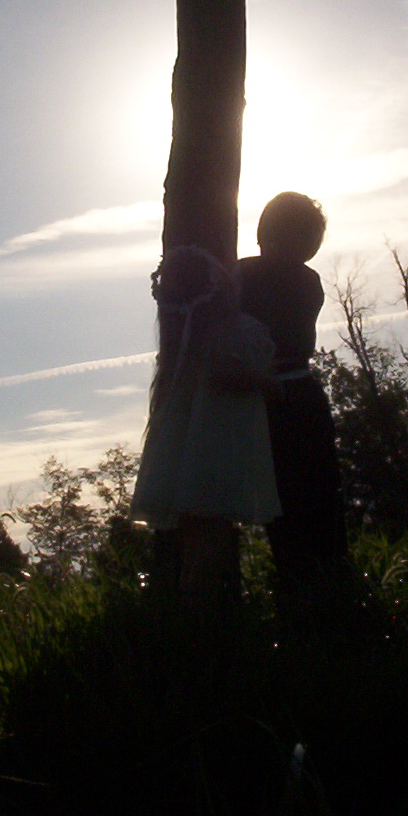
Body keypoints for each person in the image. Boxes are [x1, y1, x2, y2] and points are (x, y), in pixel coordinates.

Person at [131, 245, 281, 590]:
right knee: (210, 536)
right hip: (216, 448)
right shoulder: (232, 335)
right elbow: (233, 375)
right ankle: (202, 606)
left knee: (197, 539)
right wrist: (269, 383)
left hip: (184, 455)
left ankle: (192, 601)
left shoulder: (177, 353)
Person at [237, 192, 349, 587]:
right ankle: (314, 579)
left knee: (307, 492)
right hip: (284, 397)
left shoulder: (266, 277)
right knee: (299, 494)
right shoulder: (282, 277)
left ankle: (316, 578)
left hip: (290, 395)